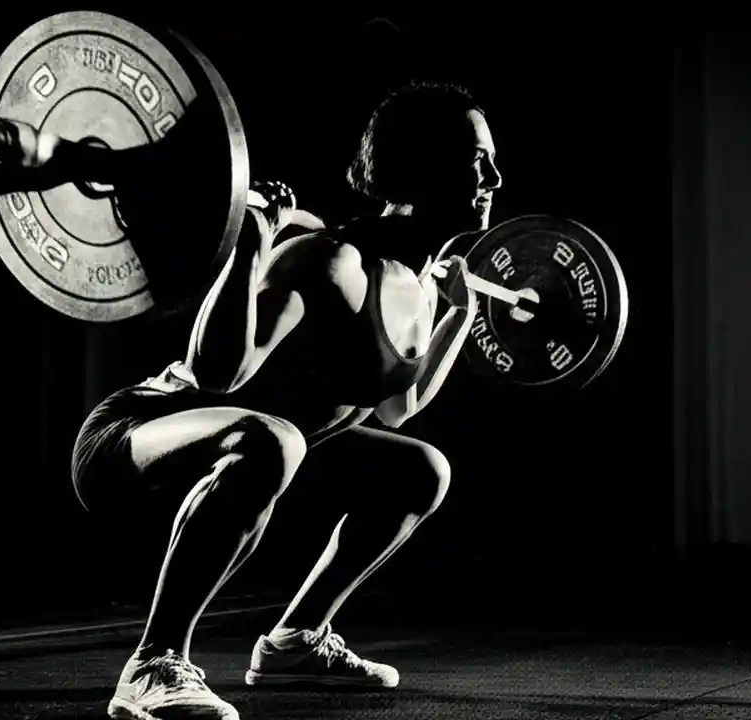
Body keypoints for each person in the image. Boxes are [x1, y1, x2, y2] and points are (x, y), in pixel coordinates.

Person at [63, 80, 504, 720]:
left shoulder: (422, 285)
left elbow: (395, 409)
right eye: (476, 160)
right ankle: (154, 662)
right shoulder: (329, 261)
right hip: (135, 440)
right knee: (275, 439)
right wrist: (251, 240)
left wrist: (458, 315)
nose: (495, 177)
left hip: (263, 448)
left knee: (420, 469)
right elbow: (217, 374)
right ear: (420, 167)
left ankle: (295, 641)